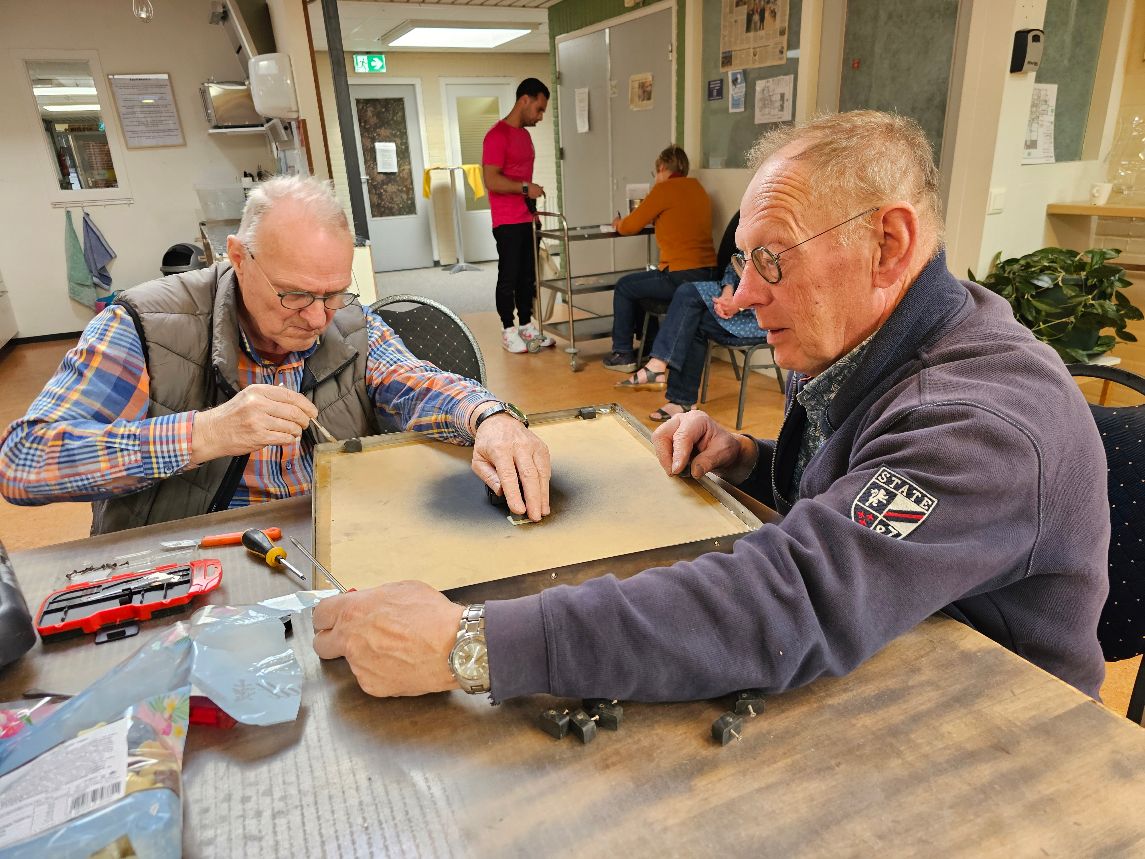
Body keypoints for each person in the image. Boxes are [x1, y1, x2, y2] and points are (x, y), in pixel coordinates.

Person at [310, 111, 1109, 705]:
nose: (743, 293)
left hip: (997, 732)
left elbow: (790, 598)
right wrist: (752, 460)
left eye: (771, 258)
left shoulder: (982, 426)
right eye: (740, 260)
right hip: (896, 650)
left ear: (888, 245)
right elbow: (864, 500)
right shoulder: (864, 338)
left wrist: (473, 641)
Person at [0, 176, 551, 533]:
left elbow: (416, 382)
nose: (317, 318)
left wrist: (491, 416)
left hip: (329, 536)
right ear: (238, 258)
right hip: (199, 557)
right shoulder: (144, 327)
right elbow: (24, 462)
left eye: (334, 293)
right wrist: (204, 434)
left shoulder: (349, 321)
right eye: (294, 295)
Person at [615, 213, 770, 422]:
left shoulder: (778, 242)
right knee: (693, 315)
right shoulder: (752, 229)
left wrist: (739, 304)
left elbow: (776, 291)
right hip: (732, 307)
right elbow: (734, 267)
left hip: (757, 320)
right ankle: (681, 400)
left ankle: (661, 370)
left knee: (688, 294)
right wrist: (727, 291)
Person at [602, 145, 718, 373]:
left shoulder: (664, 190)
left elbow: (630, 225)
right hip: (708, 273)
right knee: (643, 285)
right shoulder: (698, 188)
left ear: (662, 168)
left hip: (680, 275)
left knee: (626, 286)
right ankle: (648, 348)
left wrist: (617, 223)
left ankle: (623, 352)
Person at [482, 78, 555, 355]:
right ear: (524, 100)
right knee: (509, 276)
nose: (540, 116)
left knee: (528, 277)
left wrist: (531, 202)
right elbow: (491, 180)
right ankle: (508, 328)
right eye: (539, 109)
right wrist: (526, 187)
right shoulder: (496, 136)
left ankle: (527, 325)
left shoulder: (525, 136)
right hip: (507, 221)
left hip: (527, 219)